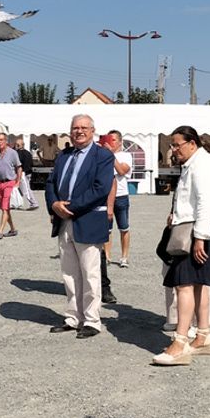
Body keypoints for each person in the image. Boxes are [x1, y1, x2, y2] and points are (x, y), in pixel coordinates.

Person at [152, 125, 210, 365]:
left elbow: (205, 201)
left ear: (192, 143)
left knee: (184, 284)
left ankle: (180, 342)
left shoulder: (203, 164)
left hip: (200, 227)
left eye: (177, 145)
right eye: (172, 145)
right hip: (195, 225)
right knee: (198, 283)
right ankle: (203, 335)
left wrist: (201, 237)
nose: (174, 150)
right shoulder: (195, 163)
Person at [45, 114, 114, 338]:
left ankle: (92, 320)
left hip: (88, 219)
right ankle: (73, 317)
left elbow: (101, 188)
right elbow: (51, 183)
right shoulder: (63, 156)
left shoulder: (102, 156)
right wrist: (54, 204)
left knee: (90, 272)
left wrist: (70, 207)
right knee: (69, 272)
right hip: (64, 221)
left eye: (84, 127)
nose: (79, 131)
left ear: (93, 131)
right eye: (75, 128)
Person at [104, 130, 132, 266]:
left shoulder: (126, 156)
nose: (111, 142)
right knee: (106, 229)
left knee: (124, 227)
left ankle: (124, 256)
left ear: (120, 142)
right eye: (109, 139)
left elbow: (121, 170)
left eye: (113, 140)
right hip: (106, 196)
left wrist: (110, 154)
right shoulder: (103, 155)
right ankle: (107, 256)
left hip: (121, 195)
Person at [0, 133, 22, 240]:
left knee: (4, 208)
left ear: (6, 141)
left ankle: (0, 230)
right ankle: (13, 229)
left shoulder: (12, 153)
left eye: (1, 140)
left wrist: (18, 182)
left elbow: (19, 168)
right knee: (5, 208)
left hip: (9, 183)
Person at [13, 137, 39, 210]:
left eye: (17, 144)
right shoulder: (28, 153)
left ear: (21, 145)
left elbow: (19, 165)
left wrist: (19, 175)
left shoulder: (19, 154)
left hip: (23, 173)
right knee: (19, 188)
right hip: (27, 172)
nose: (16, 146)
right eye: (16, 144)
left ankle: (34, 203)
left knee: (26, 189)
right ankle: (17, 203)